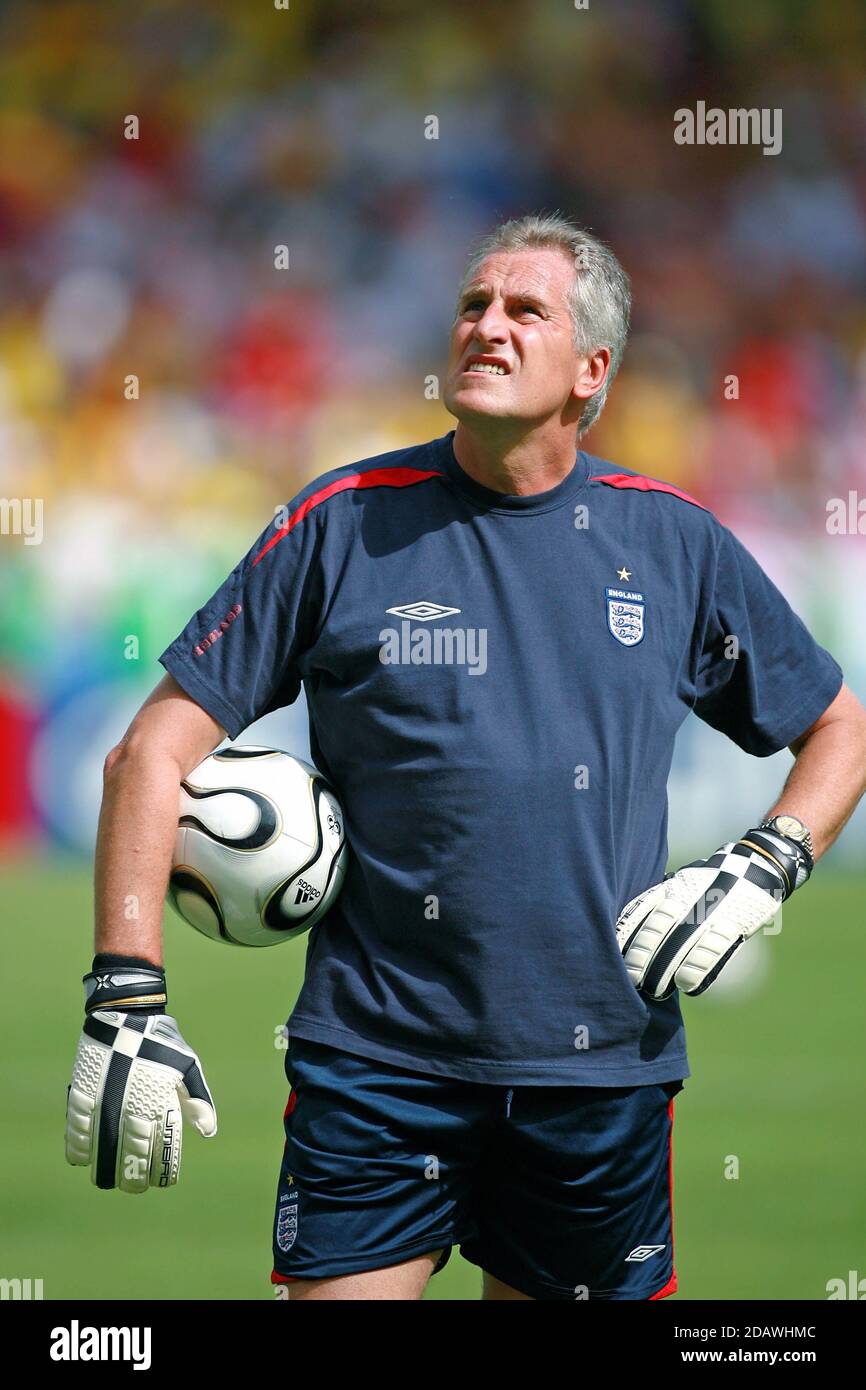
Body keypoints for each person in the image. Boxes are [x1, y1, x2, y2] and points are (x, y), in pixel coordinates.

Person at [66, 212, 866, 1300]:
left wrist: (767, 861)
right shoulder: (337, 522)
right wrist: (126, 995)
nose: (484, 327)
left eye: (522, 311)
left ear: (591, 371)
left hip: (597, 1078)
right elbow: (148, 754)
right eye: (472, 306)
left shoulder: (672, 543)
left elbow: (838, 725)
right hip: (376, 1070)